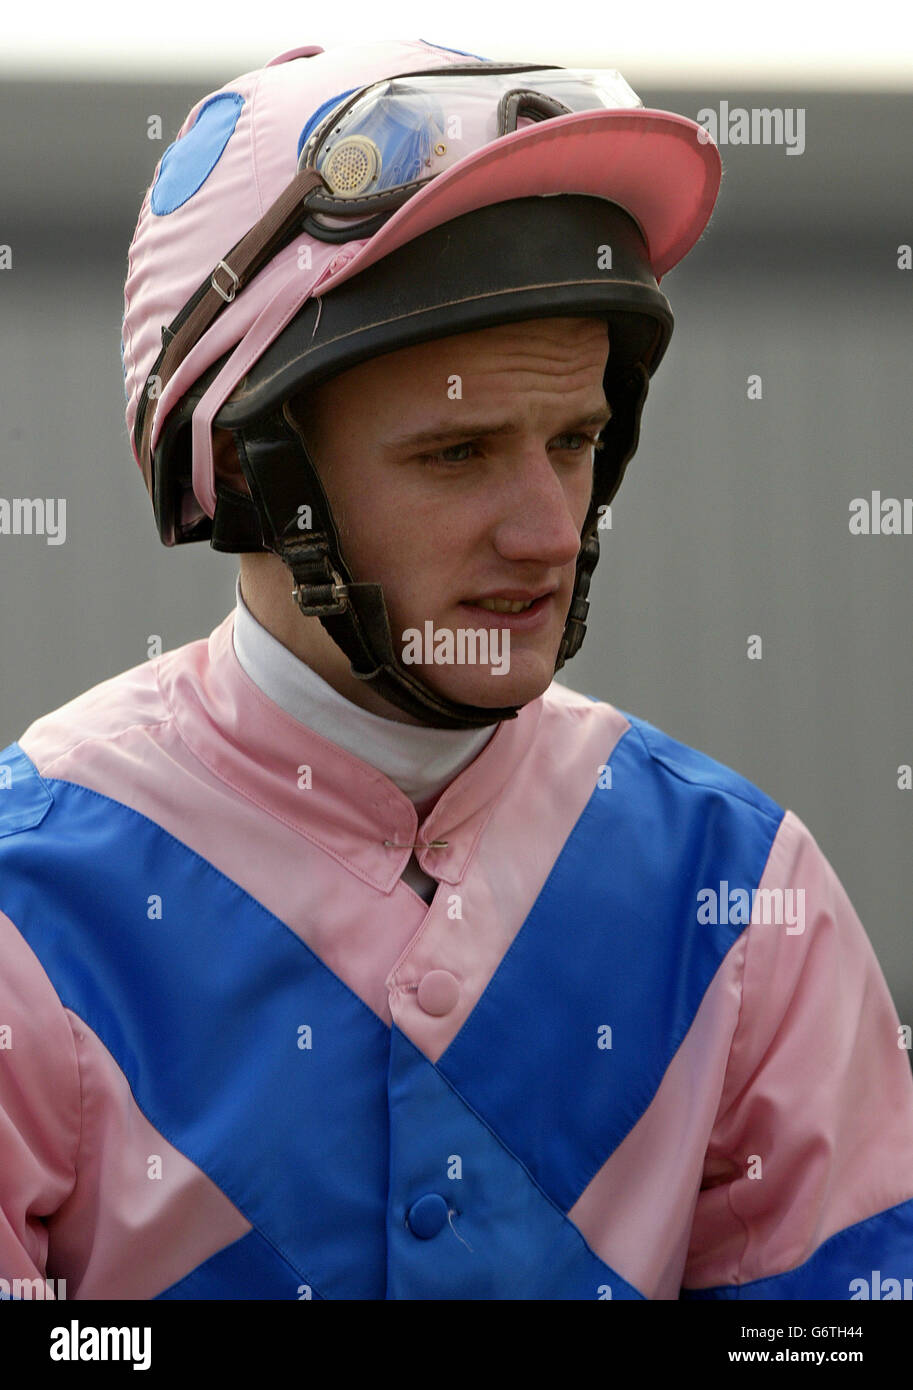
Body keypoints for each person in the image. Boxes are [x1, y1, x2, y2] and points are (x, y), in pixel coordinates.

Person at [1, 37, 911, 1303]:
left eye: (575, 439)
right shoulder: (24, 903)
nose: (546, 529)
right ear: (254, 473)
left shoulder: (745, 890)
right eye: (457, 453)